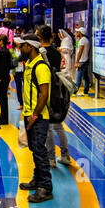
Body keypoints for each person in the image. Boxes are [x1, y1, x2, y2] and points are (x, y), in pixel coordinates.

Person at [16, 36, 52, 203]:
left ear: (30, 47)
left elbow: (44, 94)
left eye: (22, 46)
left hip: (38, 116)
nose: (19, 48)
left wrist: (34, 116)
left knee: (39, 151)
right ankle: (37, 180)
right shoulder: (29, 65)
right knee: (34, 149)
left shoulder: (40, 66)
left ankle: (45, 187)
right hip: (29, 114)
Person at [38, 25, 75, 167]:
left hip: (45, 90)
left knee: (47, 126)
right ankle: (65, 155)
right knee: (59, 125)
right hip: (57, 91)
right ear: (52, 37)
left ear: (40, 37)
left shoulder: (40, 53)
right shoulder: (57, 53)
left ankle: (51, 157)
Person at [0, 33, 14, 127]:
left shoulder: (3, 52)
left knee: (2, 98)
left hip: (2, 78)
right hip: (3, 78)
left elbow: (3, 66)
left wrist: (0, 77)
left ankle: (3, 119)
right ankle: (2, 117)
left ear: (1, 42)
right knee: (2, 98)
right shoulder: (3, 51)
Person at [75, 26, 92, 95]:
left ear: (80, 33)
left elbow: (80, 51)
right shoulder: (86, 40)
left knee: (78, 76)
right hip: (86, 60)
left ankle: (75, 90)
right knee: (85, 76)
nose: (77, 33)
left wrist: (77, 61)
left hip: (82, 61)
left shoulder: (82, 40)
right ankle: (86, 90)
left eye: (78, 32)